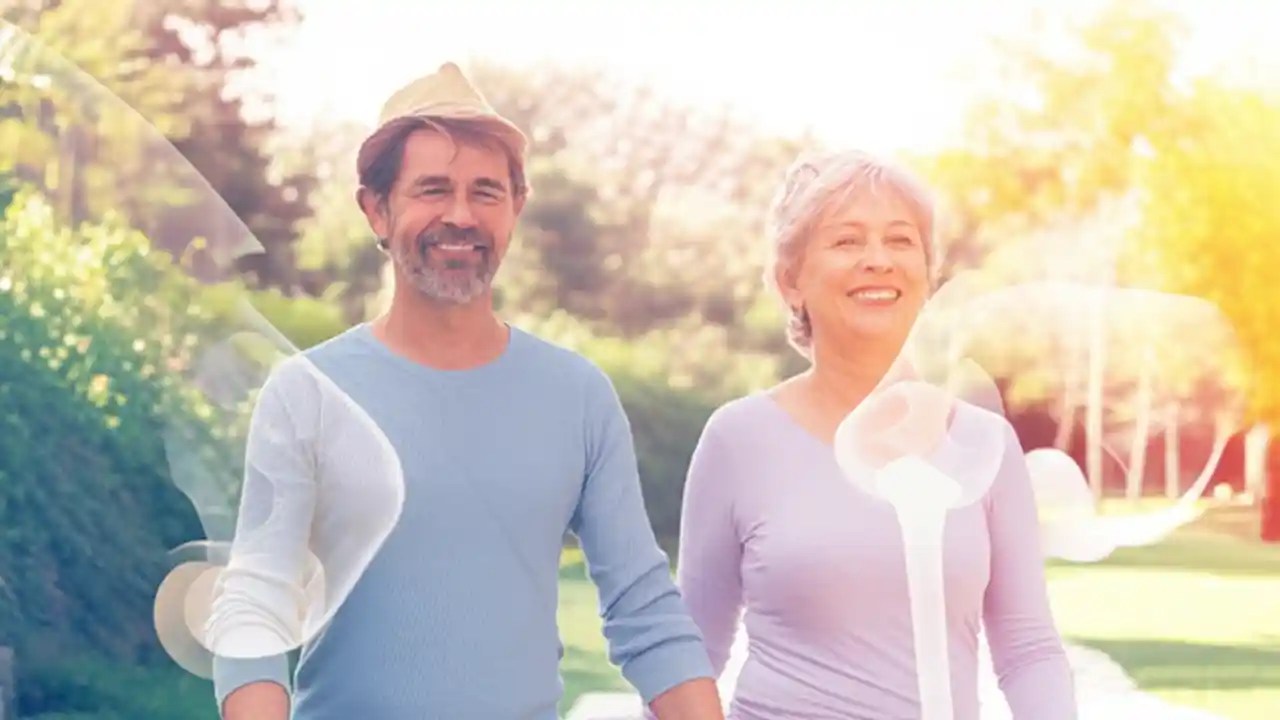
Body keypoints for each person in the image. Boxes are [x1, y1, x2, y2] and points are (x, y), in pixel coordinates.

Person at [210, 61, 724, 720]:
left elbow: (643, 608)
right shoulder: (306, 393)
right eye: (432, 189)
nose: (460, 215)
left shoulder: (577, 395)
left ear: (516, 208)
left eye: (485, 192)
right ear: (376, 208)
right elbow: (257, 599)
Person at [674, 149, 1078, 719]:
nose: (878, 260)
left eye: (900, 240)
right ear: (792, 280)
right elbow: (690, 655)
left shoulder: (984, 444)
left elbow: (1028, 647)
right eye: (847, 241)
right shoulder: (739, 439)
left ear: (927, 274)